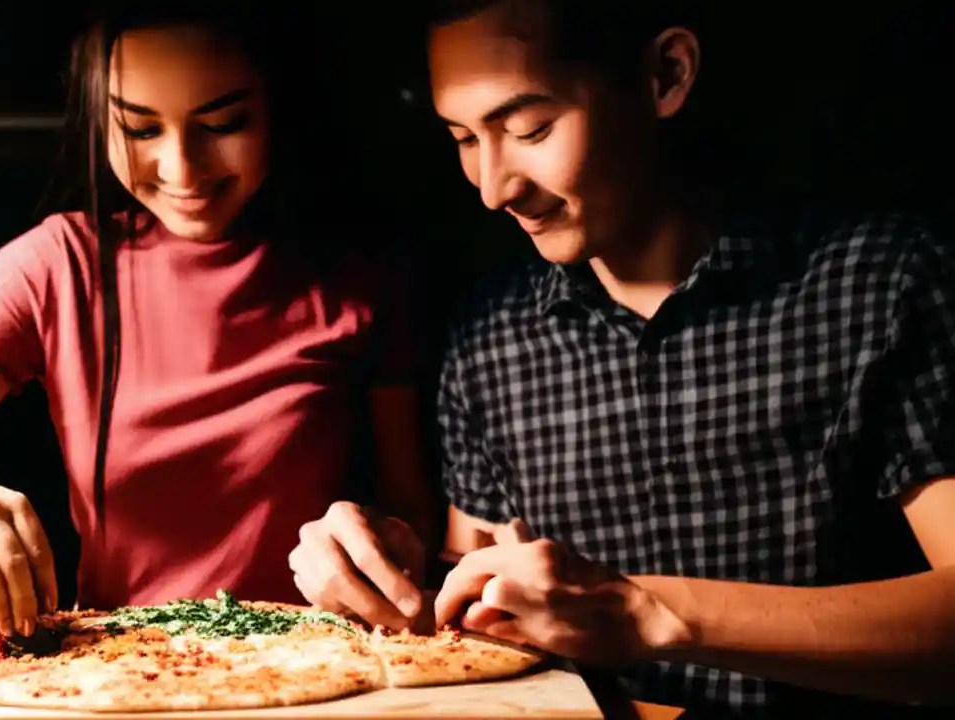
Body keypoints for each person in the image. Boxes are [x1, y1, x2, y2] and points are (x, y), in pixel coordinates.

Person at [289, 0, 955, 716]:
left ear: (665, 75)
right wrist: (394, 570)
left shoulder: (883, 281)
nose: (493, 187)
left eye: (529, 129)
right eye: (462, 137)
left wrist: (651, 613)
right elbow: (479, 596)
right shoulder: (491, 333)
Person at [0, 0, 433, 641]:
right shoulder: (57, 267)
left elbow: (414, 513)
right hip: (123, 669)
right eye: (140, 129)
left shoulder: (362, 276)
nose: (182, 169)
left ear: (277, 111)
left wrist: (381, 541)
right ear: (99, 123)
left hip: (320, 660)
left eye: (223, 123)